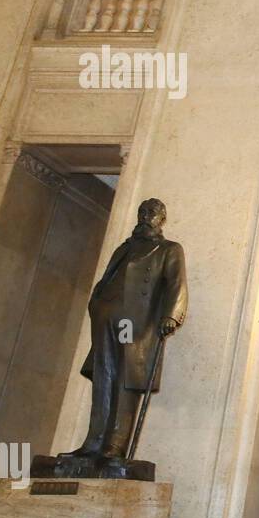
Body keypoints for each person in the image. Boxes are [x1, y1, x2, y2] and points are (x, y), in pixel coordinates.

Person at [62, 199, 187, 475]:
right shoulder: (124, 247)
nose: (145, 216)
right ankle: (93, 443)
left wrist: (171, 315)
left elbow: (177, 284)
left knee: (125, 382)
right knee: (104, 379)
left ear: (161, 219)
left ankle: (114, 447)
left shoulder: (168, 249)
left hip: (136, 325)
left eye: (151, 213)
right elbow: (107, 279)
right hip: (106, 318)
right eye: (142, 211)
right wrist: (96, 303)